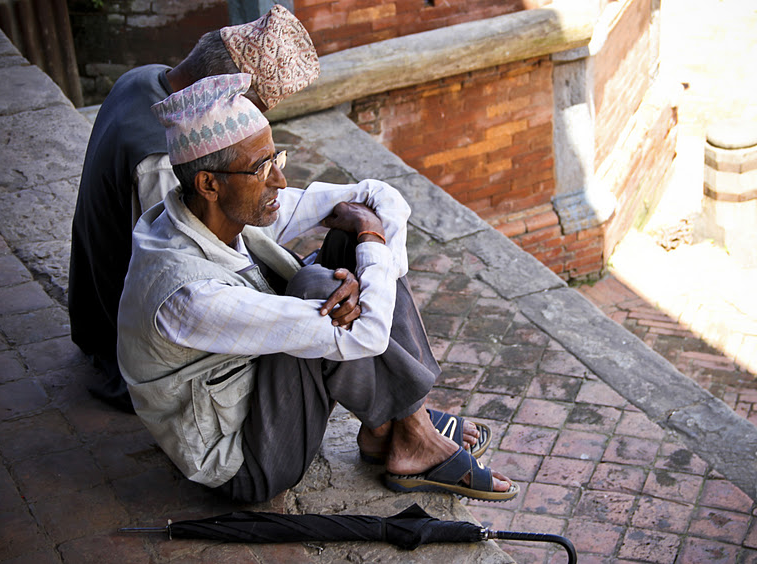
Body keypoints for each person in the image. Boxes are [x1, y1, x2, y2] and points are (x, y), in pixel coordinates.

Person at [117, 73, 519, 504]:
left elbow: (378, 197)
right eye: (261, 168)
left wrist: (367, 248)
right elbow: (366, 335)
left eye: (277, 159)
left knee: (346, 245)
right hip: (245, 459)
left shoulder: (210, 212)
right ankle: (412, 431)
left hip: (255, 386)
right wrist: (372, 245)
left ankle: (394, 425)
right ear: (209, 184)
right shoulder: (187, 296)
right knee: (325, 282)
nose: (279, 181)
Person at [68, 6, 319, 412]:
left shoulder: (143, 78)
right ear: (214, 92)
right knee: (315, 313)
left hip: (90, 310)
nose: (249, 122)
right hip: (127, 346)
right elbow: (188, 268)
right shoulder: (161, 164)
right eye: (248, 109)